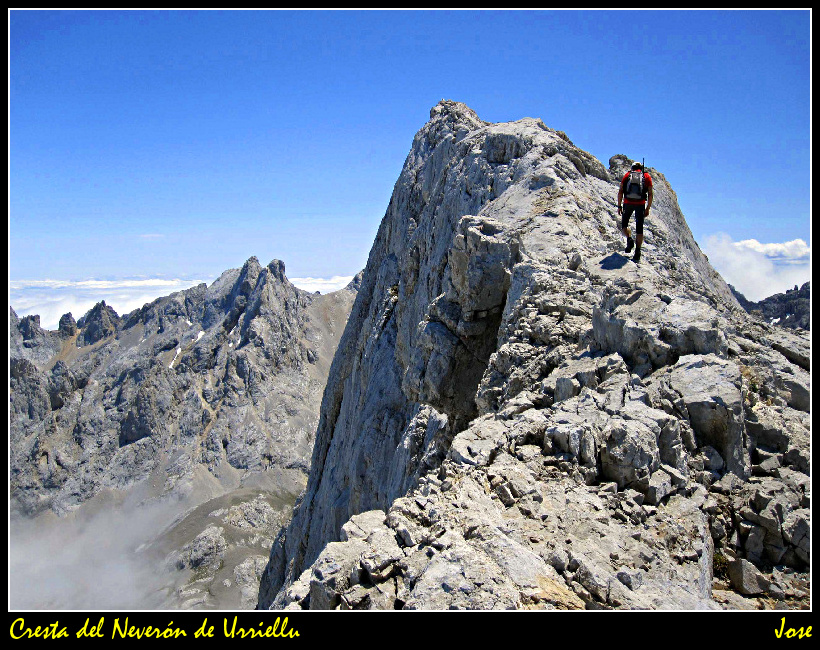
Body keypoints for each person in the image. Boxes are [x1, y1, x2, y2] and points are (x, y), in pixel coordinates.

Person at [617, 161, 653, 263]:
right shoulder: (646, 176)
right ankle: (637, 252)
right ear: (641, 168)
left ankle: (629, 239)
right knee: (639, 228)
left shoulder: (627, 175)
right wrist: (648, 208)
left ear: (632, 168)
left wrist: (619, 206)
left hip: (628, 203)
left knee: (624, 224)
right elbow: (650, 194)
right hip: (640, 204)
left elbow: (620, 191)